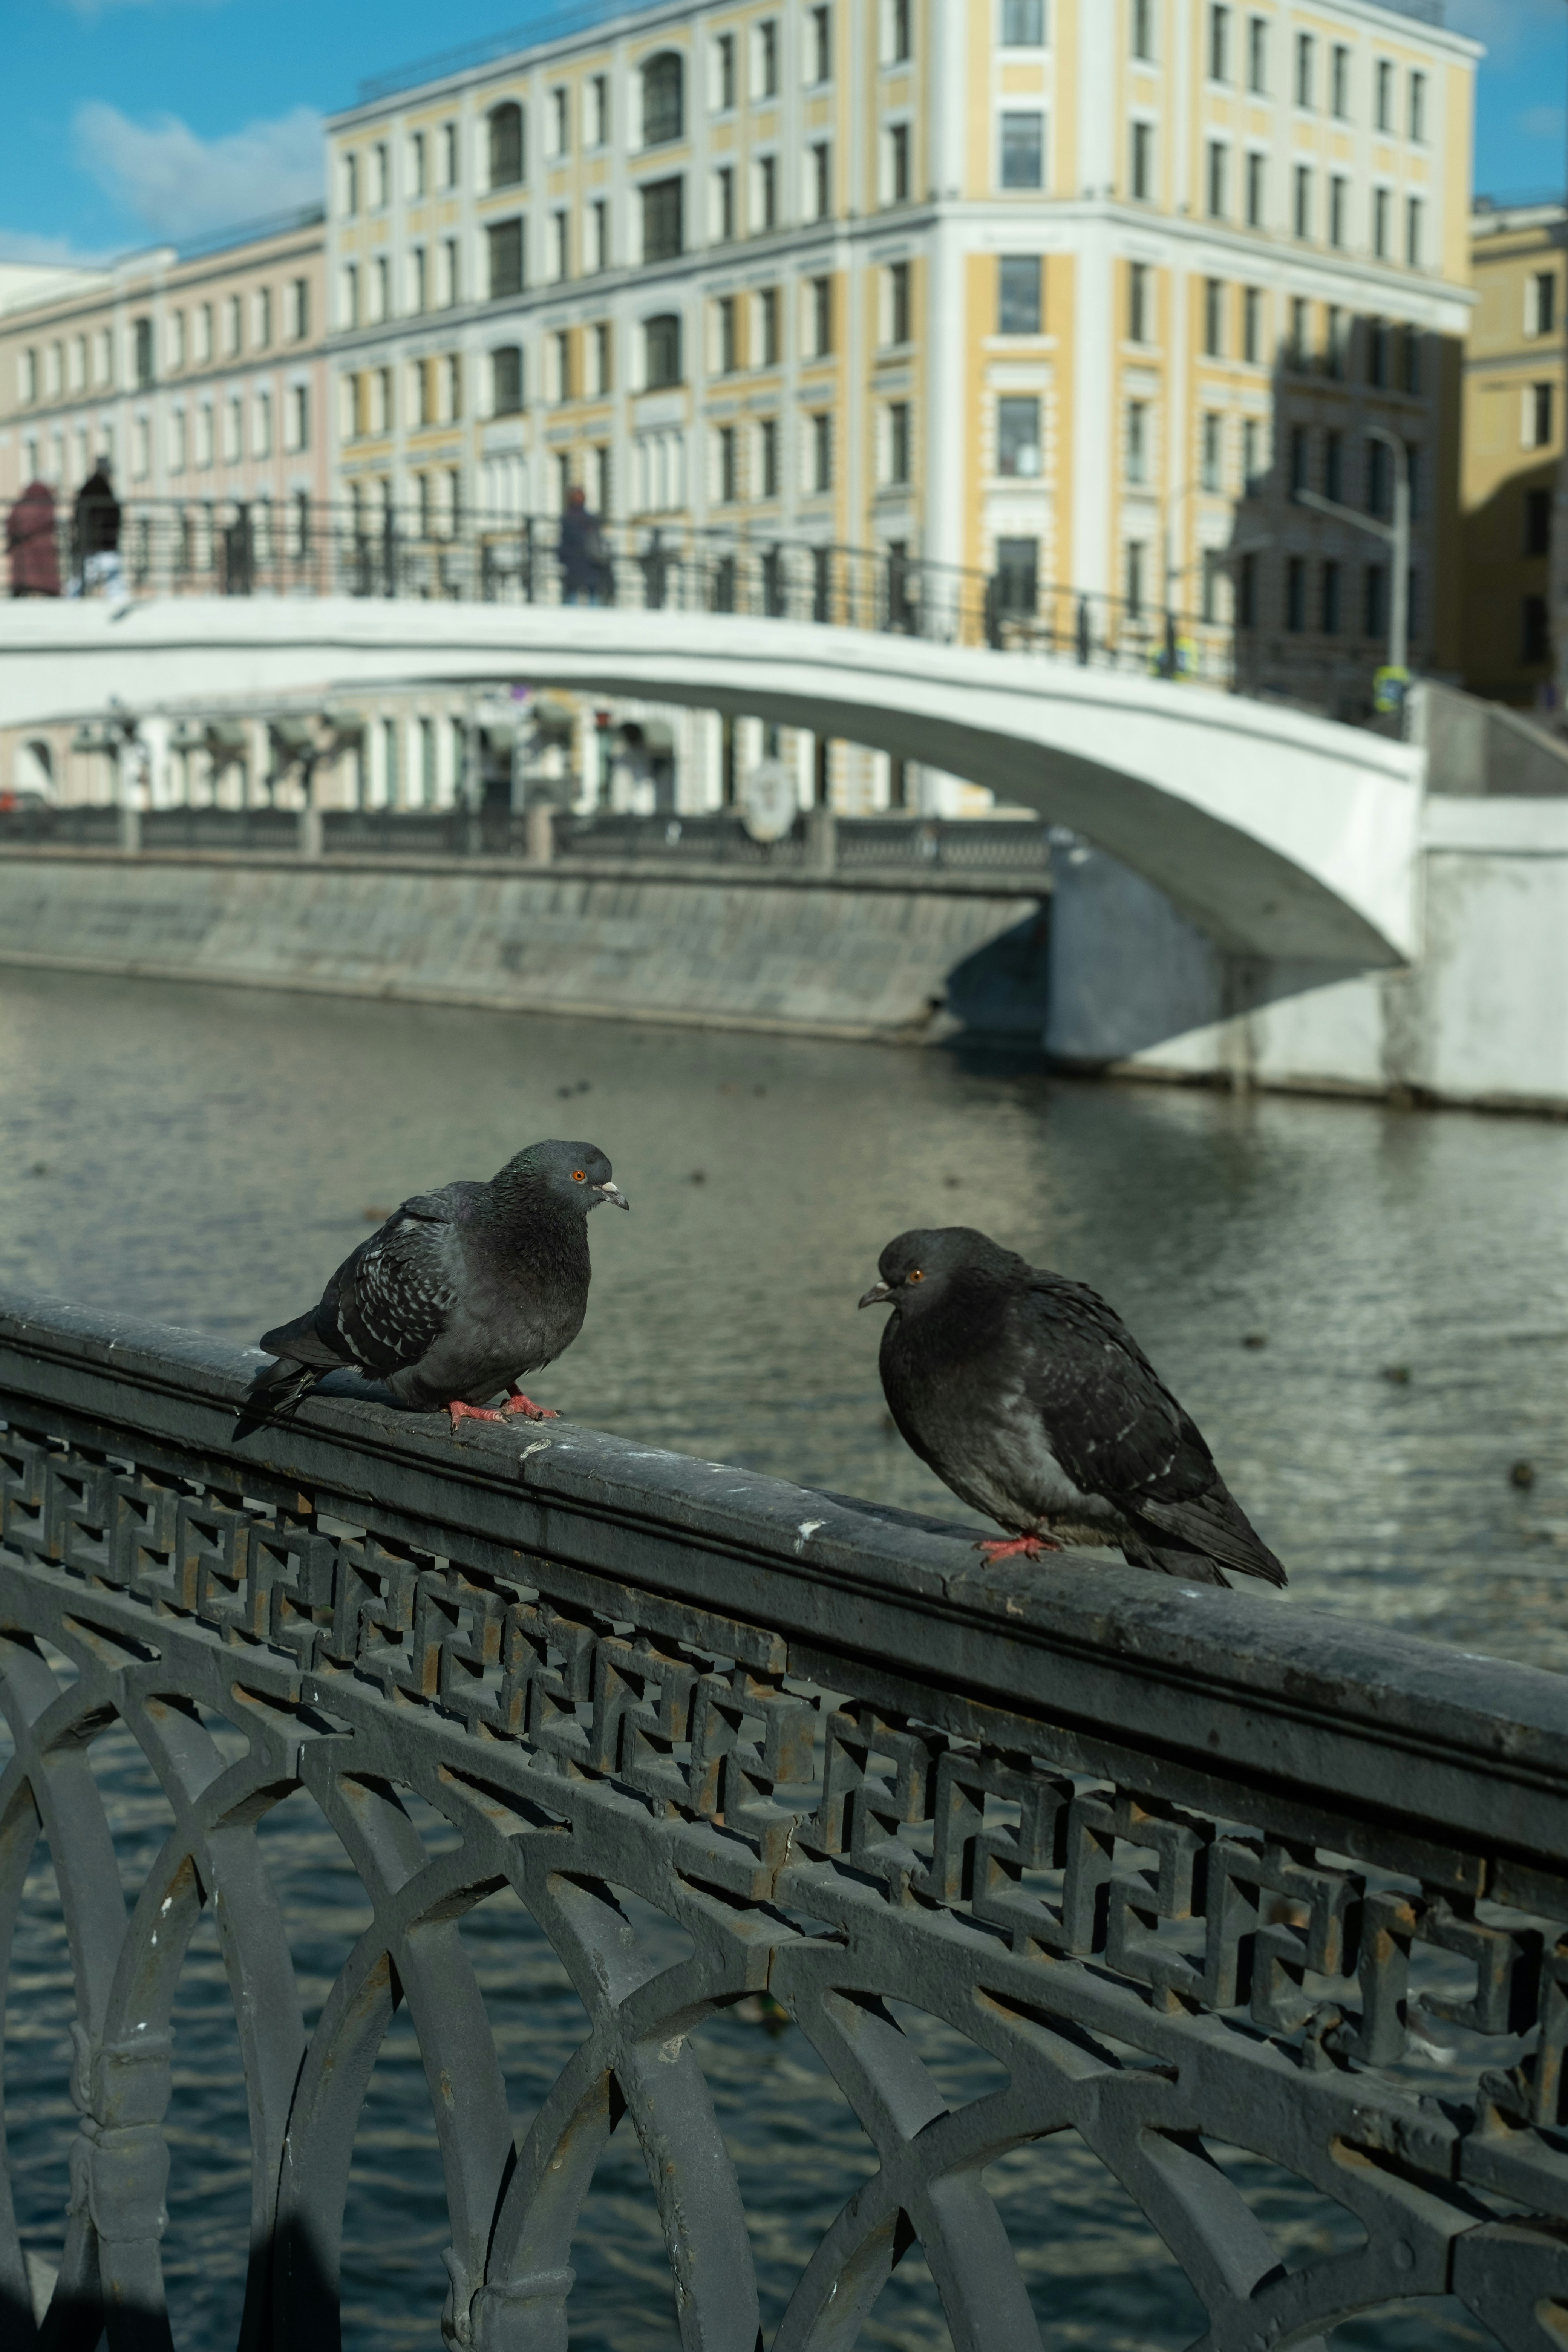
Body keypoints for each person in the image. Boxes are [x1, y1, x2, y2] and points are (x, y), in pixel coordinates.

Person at [68, 457, 128, 614]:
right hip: (101, 542)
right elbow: (109, 515)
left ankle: (71, 606)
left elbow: (79, 516)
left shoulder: (89, 488)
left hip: (91, 543)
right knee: (111, 581)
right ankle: (119, 607)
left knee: (83, 580)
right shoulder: (101, 488)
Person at [6, 479, 61, 596]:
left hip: (23, 550)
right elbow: (47, 521)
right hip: (41, 549)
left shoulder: (21, 504)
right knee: (45, 580)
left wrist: (17, 536)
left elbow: (11, 524)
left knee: (25, 580)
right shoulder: (46, 503)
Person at [557, 485, 607, 606]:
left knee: (576, 594)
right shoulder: (589, 519)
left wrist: (562, 558)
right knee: (589, 594)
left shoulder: (569, 519)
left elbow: (565, 542)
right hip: (589, 562)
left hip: (582, 562)